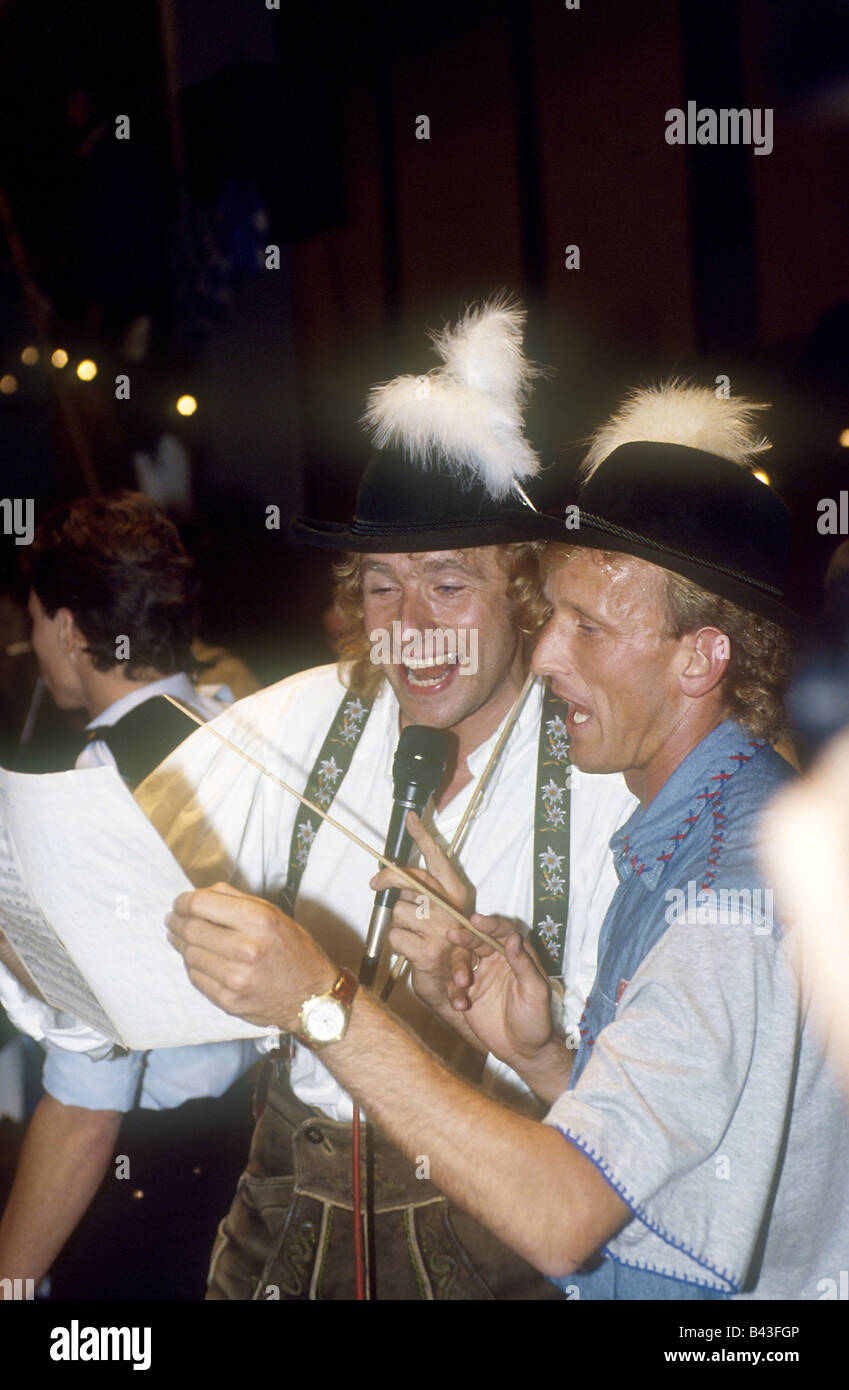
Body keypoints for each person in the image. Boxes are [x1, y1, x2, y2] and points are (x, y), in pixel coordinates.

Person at [169, 381, 849, 1299]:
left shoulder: (725, 892)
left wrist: (318, 1000)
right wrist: (534, 1055)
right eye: (381, 586)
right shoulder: (676, 839)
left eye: (587, 627)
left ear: (701, 657)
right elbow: (664, 1156)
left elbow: (566, 1220)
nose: (546, 655)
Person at [138, 299, 636, 1299]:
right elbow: (117, 863)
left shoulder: (604, 782)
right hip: (276, 1251)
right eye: (379, 587)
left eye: (449, 585)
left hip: (497, 1253)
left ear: (525, 597)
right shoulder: (306, 718)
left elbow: (634, 1137)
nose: (408, 626)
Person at [0, 491, 256, 1298]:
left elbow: (90, 1077)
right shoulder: (245, 727)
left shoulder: (92, 792)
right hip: (256, 1157)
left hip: (143, 1176)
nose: (32, 639)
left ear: (71, 630)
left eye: (37, 618)